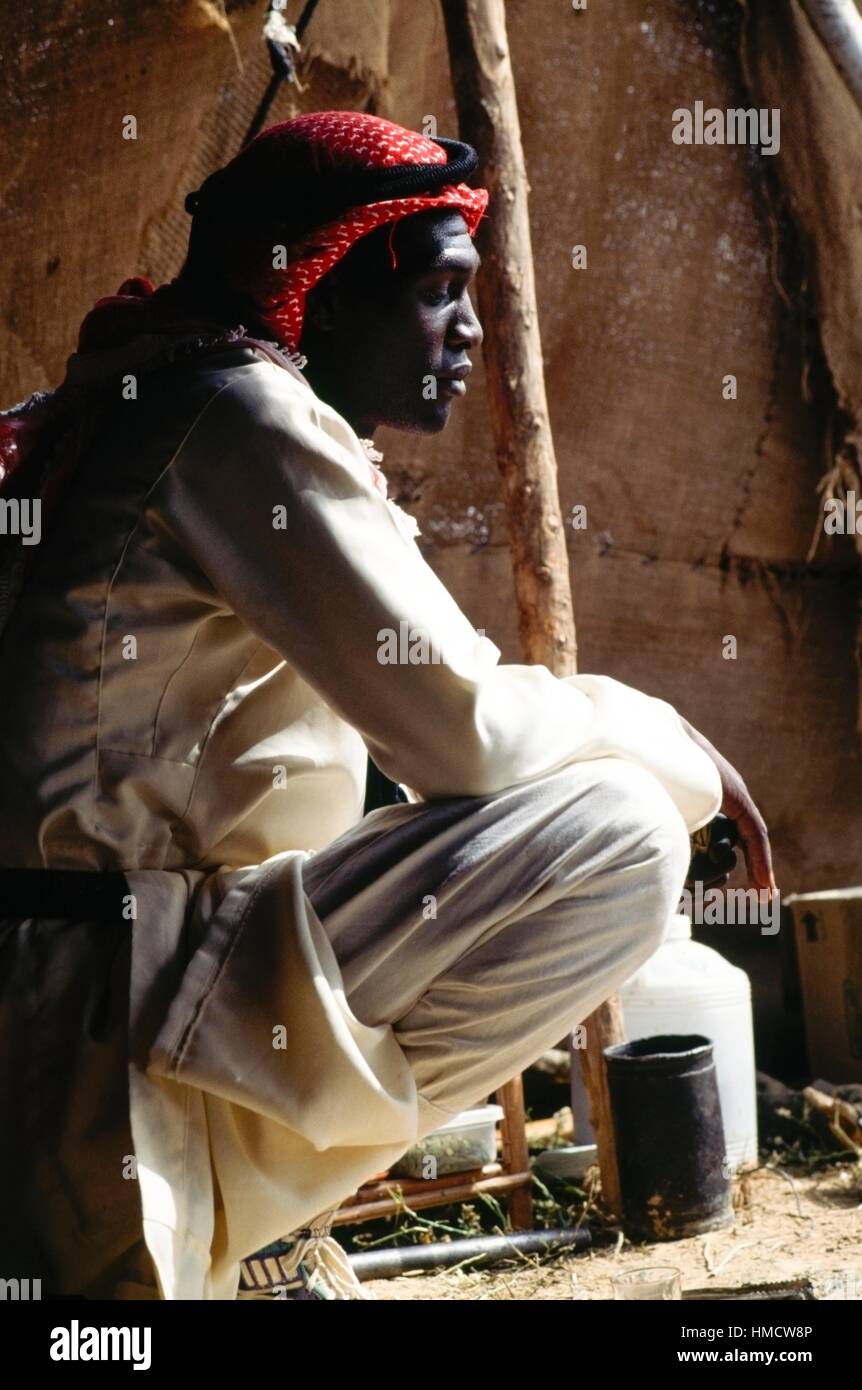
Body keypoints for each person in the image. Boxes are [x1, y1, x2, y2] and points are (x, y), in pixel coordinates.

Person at [0, 112, 773, 1301]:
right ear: (323, 289)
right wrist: (676, 746)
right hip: (105, 1000)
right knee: (621, 831)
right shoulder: (236, 415)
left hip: (118, 967)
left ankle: (237, 1208)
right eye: (440, 292)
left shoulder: (166, 393)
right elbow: (462, 734)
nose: (470, 330)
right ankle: (220, 1197)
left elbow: (436, 739)